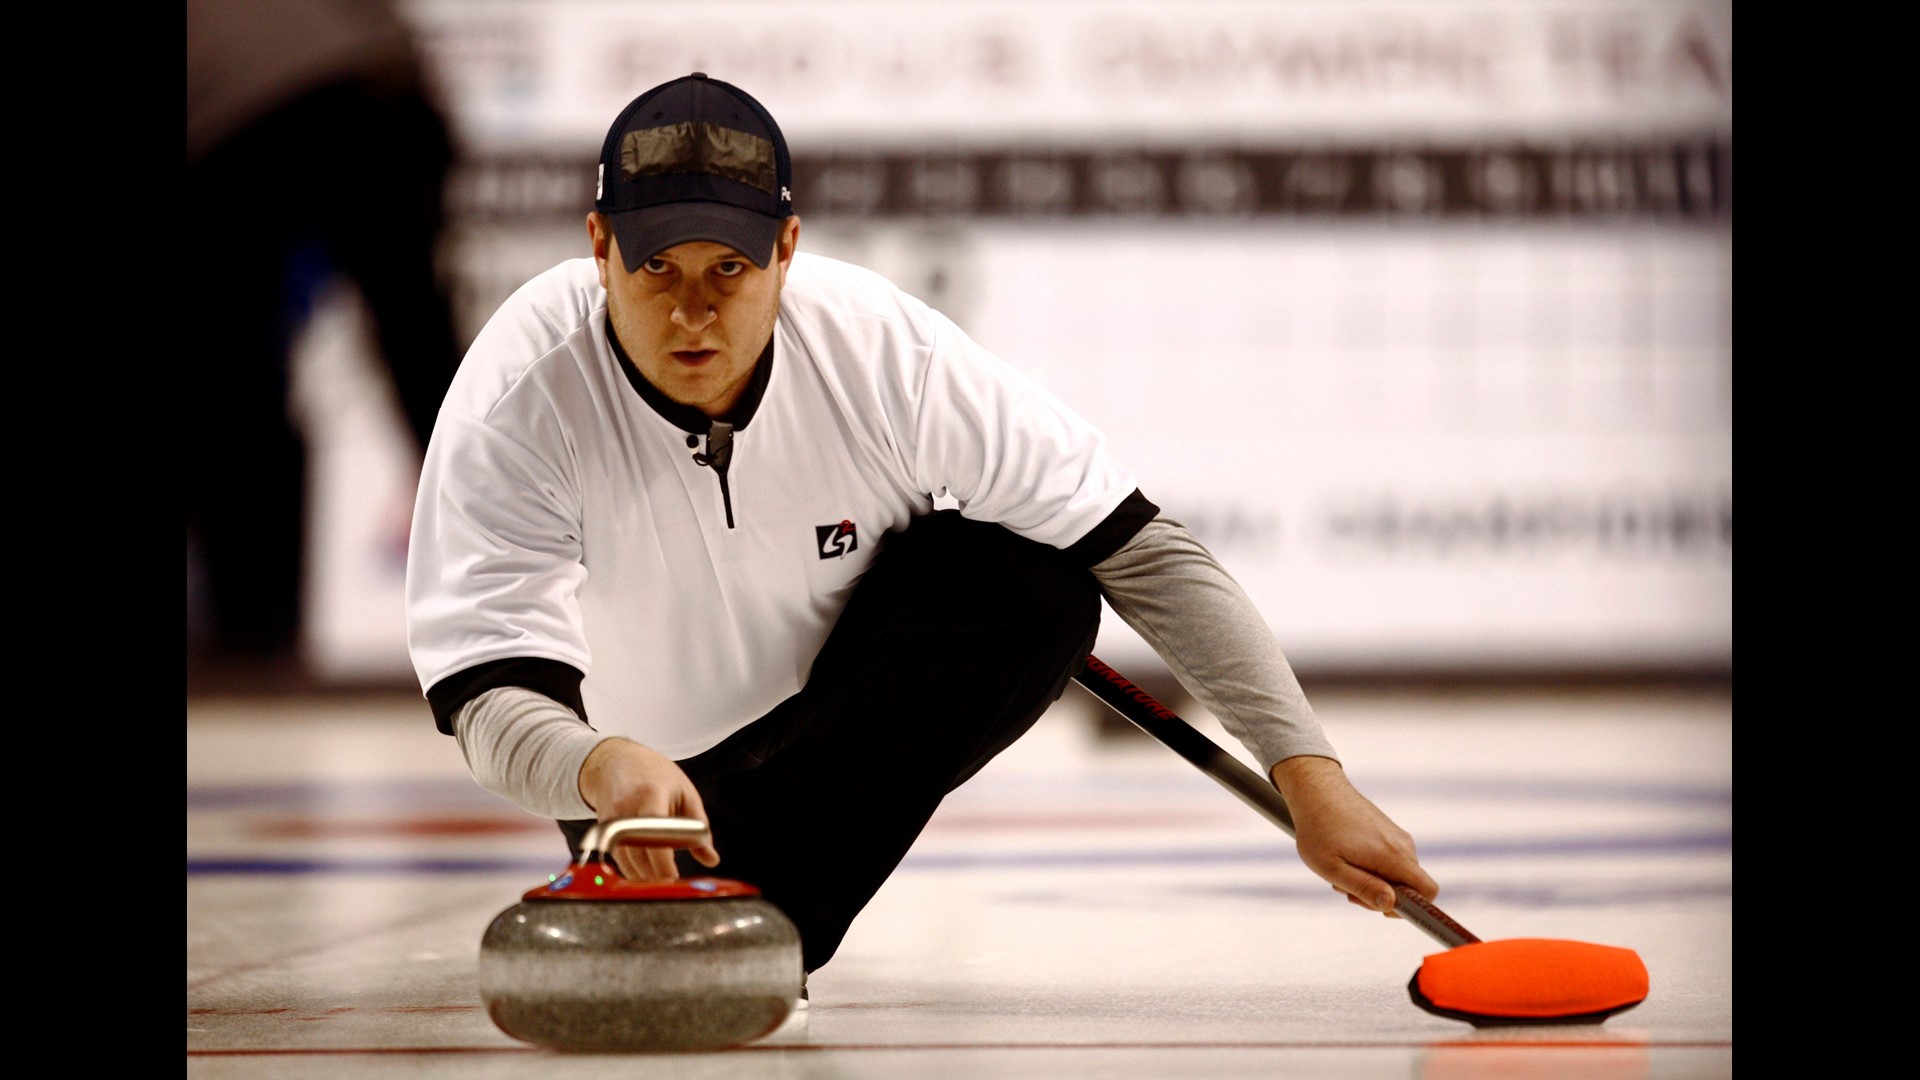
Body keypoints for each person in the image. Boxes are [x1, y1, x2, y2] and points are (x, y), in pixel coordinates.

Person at [405, 73, 1439, 980]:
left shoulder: (882, 354)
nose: (693, 313)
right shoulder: (520, 398)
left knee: (1037, 589)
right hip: (631, 790)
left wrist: (1311, 775)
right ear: (598, 248)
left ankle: (755, 914)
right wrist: (595, 765)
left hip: (818, 735)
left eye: (730, 269)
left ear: (788, 249)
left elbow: (1142, 549)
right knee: (613, 759)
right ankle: (707, 896)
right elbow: (486, 690)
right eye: (657, 269)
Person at [187, 0, 465, 687]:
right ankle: (530, 605)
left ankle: (255, 641)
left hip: (242, 116)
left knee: (235, 389)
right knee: (425, 356)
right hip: (376, 88)